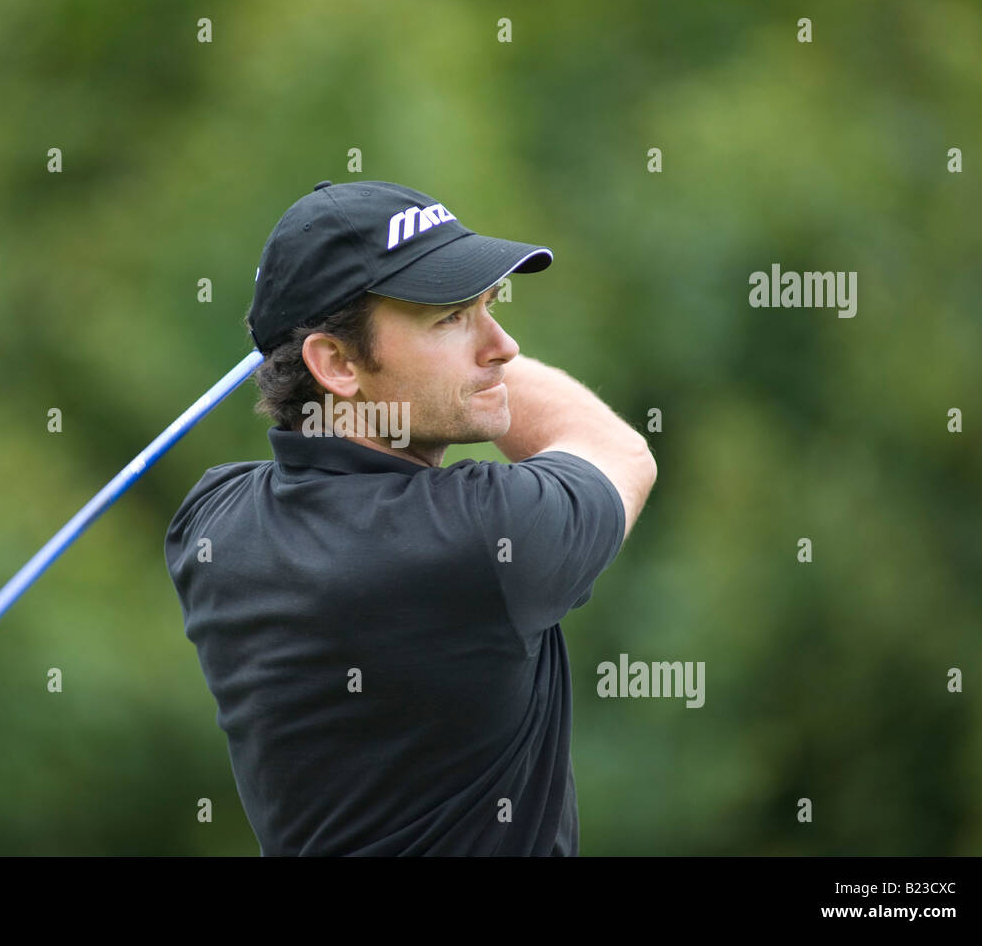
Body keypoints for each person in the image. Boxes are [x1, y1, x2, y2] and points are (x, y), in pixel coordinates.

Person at [164, 179, 657, 855]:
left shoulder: (213, 524)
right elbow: (619, 452)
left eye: (488, 305)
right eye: (450, 317)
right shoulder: (485, 536)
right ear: (336, 362)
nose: (504, 346)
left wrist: (435, 356)